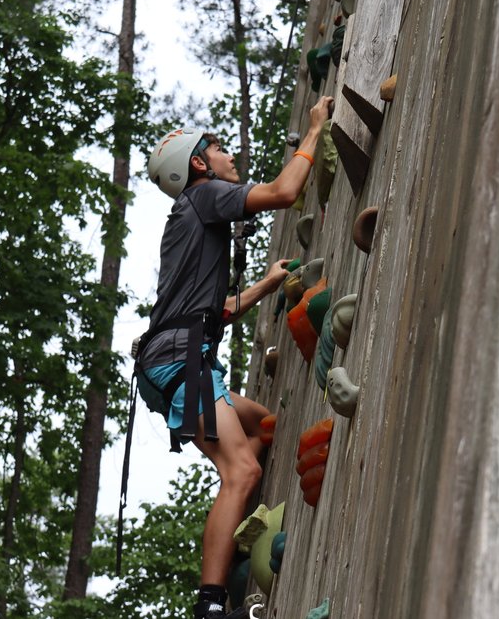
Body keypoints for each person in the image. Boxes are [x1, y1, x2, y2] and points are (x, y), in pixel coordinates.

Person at [141, 95, 335, 619]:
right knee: (243, 470)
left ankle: (228, 551)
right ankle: (209, 604)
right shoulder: (204, 198)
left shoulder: (190, 217)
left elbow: (217, 309)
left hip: (180, 360)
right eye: (220, 150)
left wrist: (268, 283)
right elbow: (285, 191)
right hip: (182, 365)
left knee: (264, 429)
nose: (230, 157)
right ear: (199, 165)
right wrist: (315, 129)